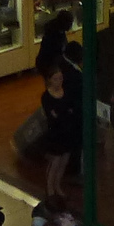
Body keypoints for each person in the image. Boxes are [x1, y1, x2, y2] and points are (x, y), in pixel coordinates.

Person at [39, 63, 81, 203]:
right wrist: (65, 114)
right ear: (49, 80)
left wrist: (63, 114)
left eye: (61, 78)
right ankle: (50, 188)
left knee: (64, 161)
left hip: (67, 131)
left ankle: (57, 185)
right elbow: (53, 116)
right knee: (55, 161)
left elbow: (69, 111)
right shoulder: (46, 96)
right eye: (56, 79)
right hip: (55, 134)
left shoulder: (66, 92)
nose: (59, 81)